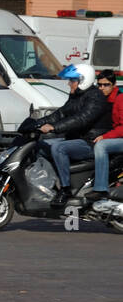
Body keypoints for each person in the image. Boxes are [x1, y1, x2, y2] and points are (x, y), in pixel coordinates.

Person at [34, 62, 111, 206]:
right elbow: (61, 113)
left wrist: (53, 127)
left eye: (72, 80)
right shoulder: (76, 96)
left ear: (83, 80)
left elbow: (81, 119)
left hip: (90, 142)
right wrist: (37, 122)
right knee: (40, 145)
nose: (69, 84)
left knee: (58, 148)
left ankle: (65, 189)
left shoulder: (96, 97)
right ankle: (48, 184)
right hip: (78, 138)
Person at [86, 69, 123, 204]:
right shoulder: (102, 99)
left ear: (113, 85)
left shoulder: (120, 99)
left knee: (101, 145)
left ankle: (101, 188)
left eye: (106, 85)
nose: (102, 88)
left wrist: (105, 136)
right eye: (99, 85)